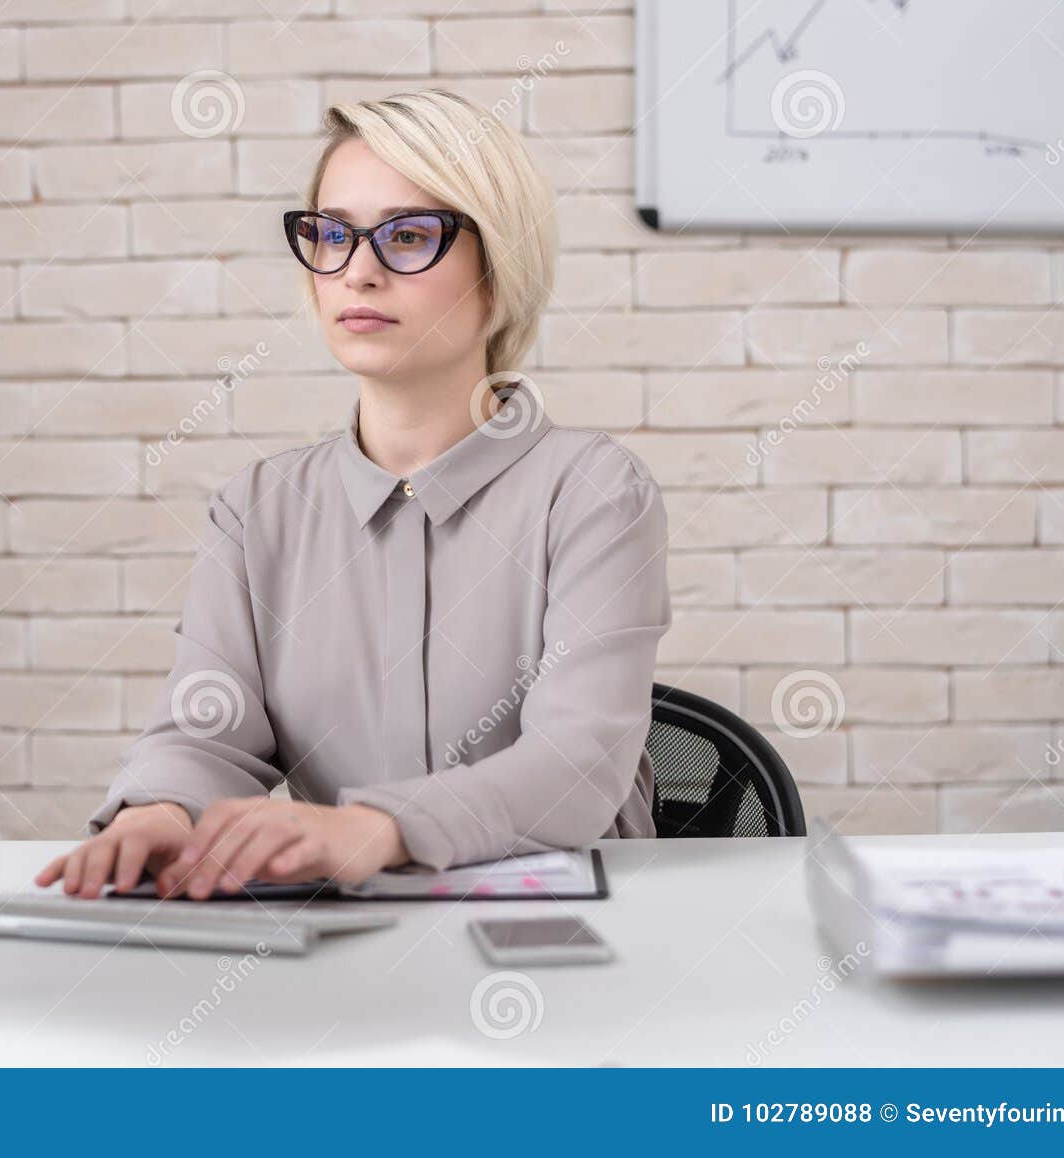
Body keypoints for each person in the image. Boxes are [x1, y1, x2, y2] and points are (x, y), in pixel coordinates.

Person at [36, 88, 672, 902]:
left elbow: (577, 768)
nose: (358, 271)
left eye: (407, 236)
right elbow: (209, 730)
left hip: (579, 934)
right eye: (332, 235)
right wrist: (157, 812)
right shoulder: (257, 509)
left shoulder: (591, 492)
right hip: (348, 935)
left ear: (497, 270)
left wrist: (373, 829)